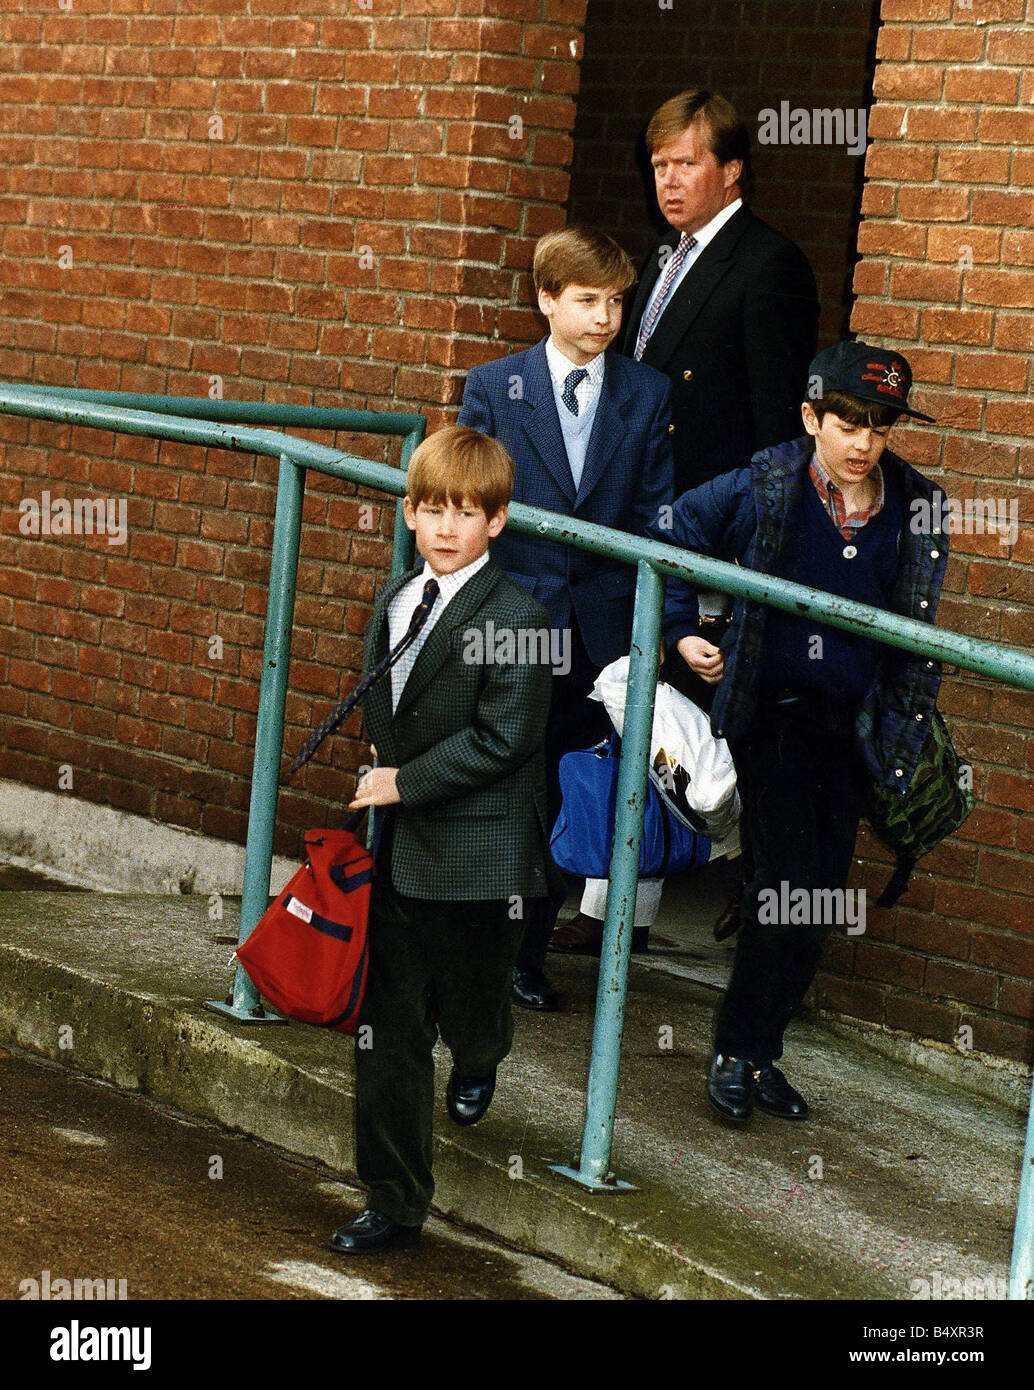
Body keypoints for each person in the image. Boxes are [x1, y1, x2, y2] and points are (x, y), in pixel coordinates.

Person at [651, 341, 947, 1124]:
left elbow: (914, 634)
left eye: (880, 427)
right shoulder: (765, 481)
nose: (862, 442)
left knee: (819, 906)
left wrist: (895, 735)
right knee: (788, 892)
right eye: (847, 421)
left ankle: (762, 1053)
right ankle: (736, 1050)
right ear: (812, 416)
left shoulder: (916, 504)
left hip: (850, 727)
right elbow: (673, 532)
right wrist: (683, 631)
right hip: (773, 714)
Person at [329, 425, 554, 1255]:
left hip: (483, 858)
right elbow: (395, 712)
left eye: (466, 512)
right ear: (408, 514)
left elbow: (506, 740)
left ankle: (482, 1052)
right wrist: (382, 766)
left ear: (498, 521)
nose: (447, 528)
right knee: (387, 1032)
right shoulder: (393, 600)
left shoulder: (523, 617)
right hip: (400, 854)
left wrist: (402, 781)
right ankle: (393, 1200)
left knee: (470, 1006)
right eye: (431, 510)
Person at [457, 226, 674, 1011]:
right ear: (545, 300)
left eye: (617, 301)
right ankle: (469, 939)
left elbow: (655, 517)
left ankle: (527, 950)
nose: (605, 317)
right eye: (587, 300)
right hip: (513, 619)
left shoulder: (646, 394)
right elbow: (467, 501)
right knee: (501, 777)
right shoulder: (492, 386)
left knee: (568, 787)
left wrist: (661, 624)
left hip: (602, 627)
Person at [623, 88, 820, 496]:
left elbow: (777, 419)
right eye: (659, 165)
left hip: (705, 508)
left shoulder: (770, 264)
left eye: (686, 164)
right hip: (637, 491)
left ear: (731, 171)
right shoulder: (664, 249)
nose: (669, 181)